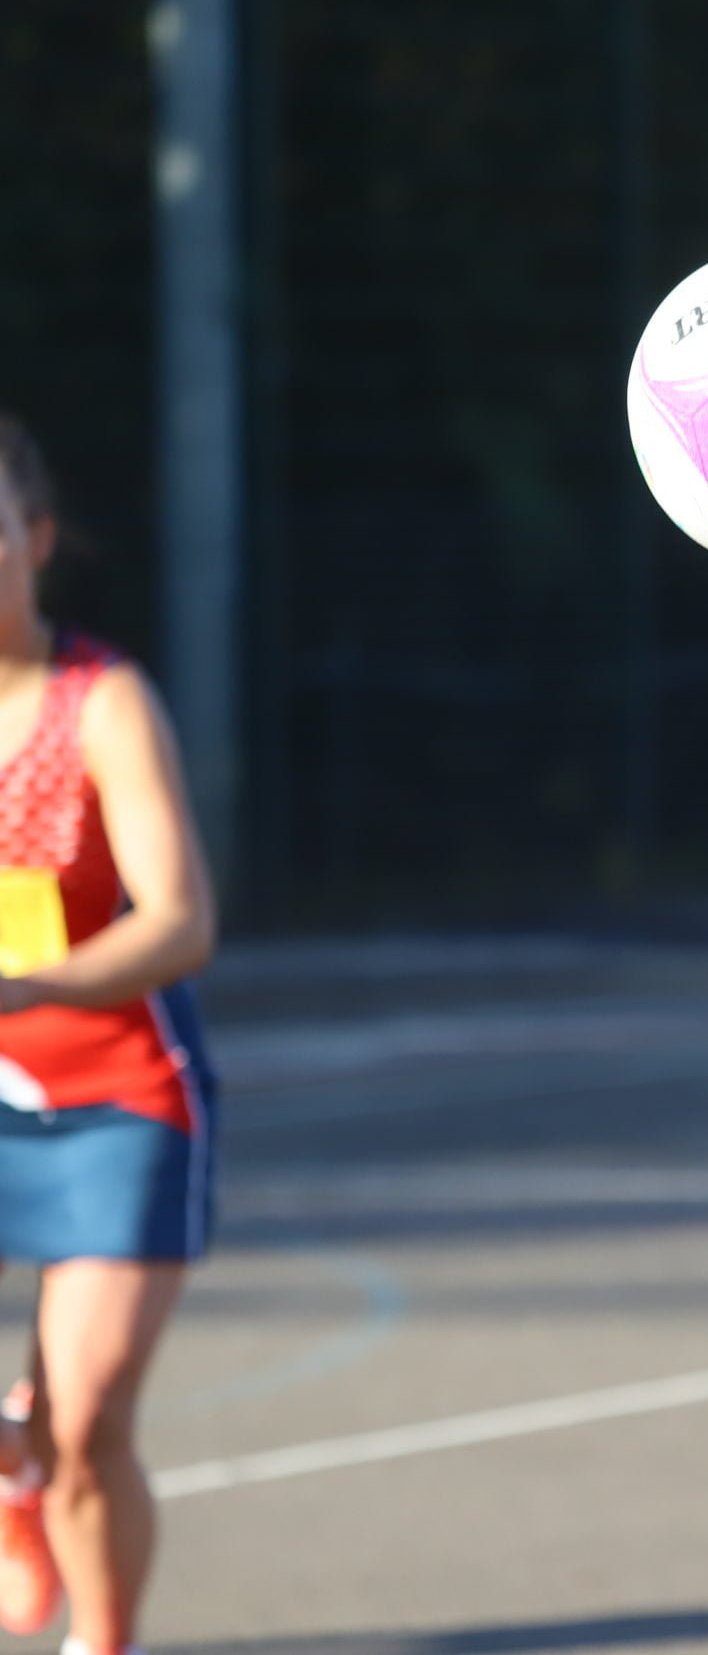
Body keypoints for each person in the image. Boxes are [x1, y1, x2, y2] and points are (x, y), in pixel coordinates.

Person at [0, 416, 220, 1655]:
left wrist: (22, 994)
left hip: (113, 1100)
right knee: (37, 1434)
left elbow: (181, 922)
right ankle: (12, 1469)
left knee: (88, 1425)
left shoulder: (101, 701)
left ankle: (106, 1638)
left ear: (31, 542)